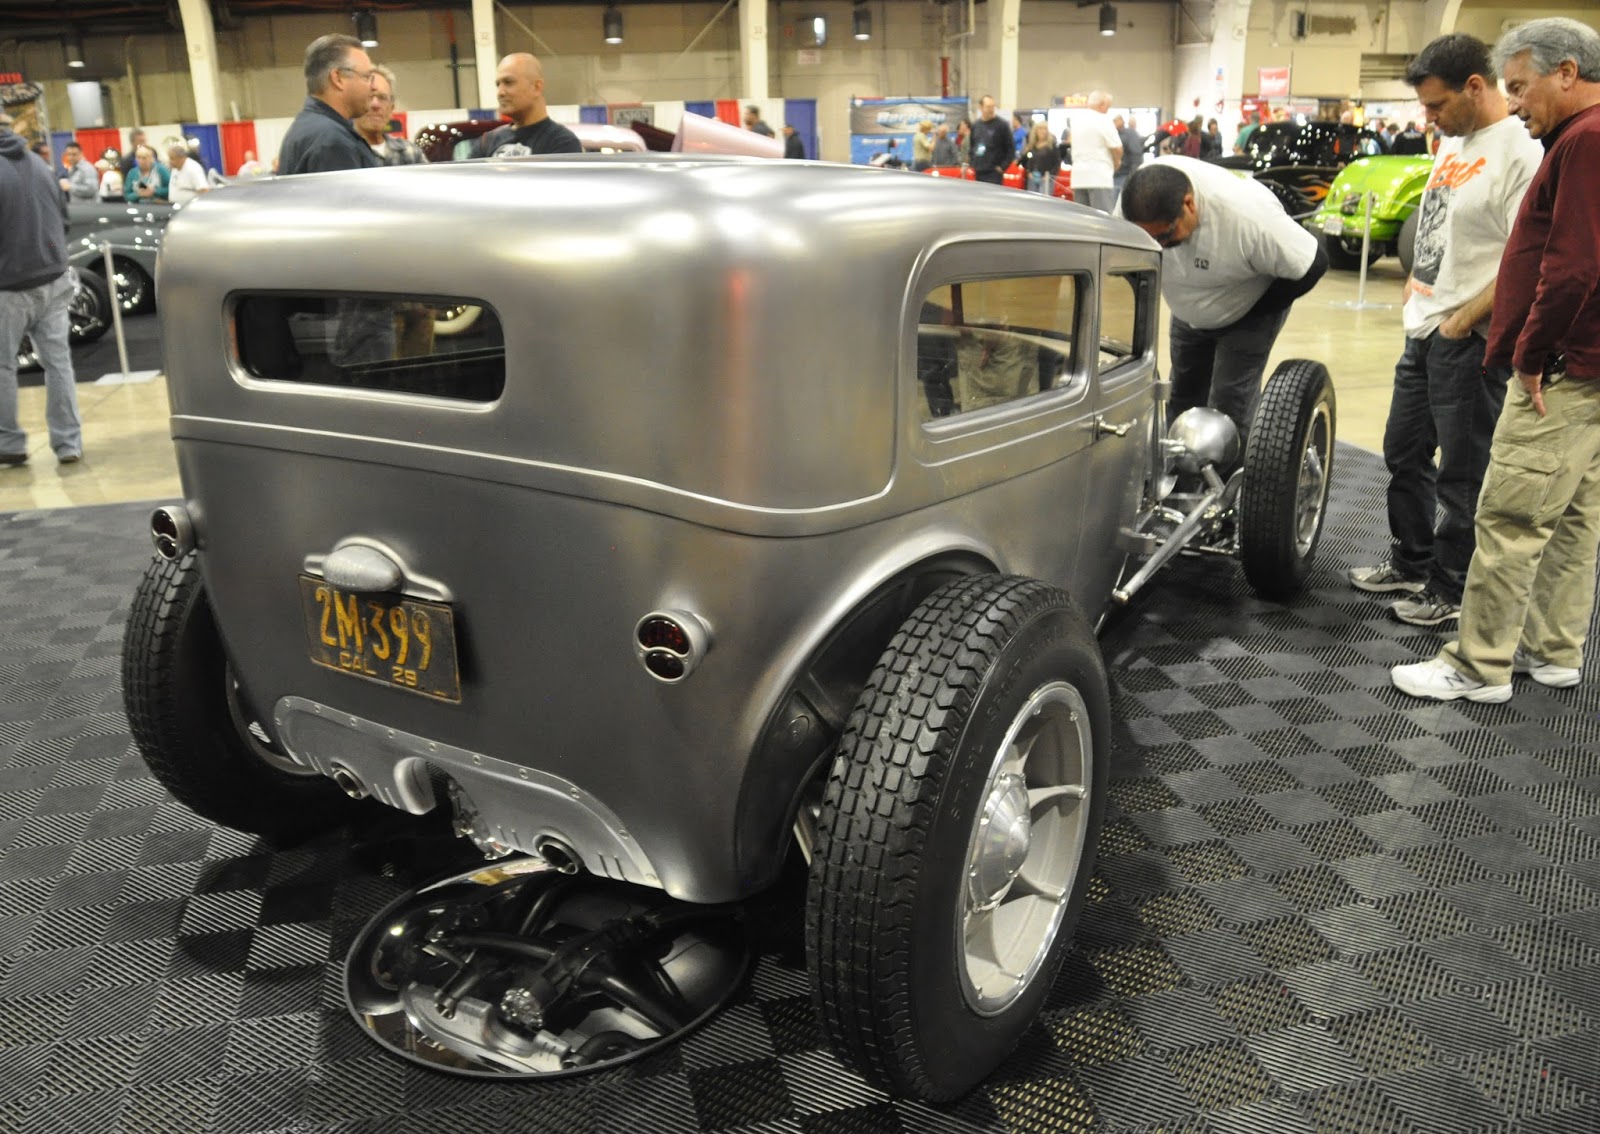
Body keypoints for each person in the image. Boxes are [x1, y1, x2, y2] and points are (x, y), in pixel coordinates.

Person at [1391, 17, 1600, 702]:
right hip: (1584, 367)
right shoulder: (1581, 140)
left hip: (1561, 370)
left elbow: (1570, 269)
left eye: (1521, 87)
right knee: (1572, 517)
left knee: (1508, 518)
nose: (1514, 103)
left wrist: (1531, 357)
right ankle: (1554, 652)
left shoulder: (1585, 142)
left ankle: (1477, 665)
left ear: (1566, 73)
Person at [1348, 34, 1543, 628]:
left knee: (1463, 471)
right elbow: (1441, 225)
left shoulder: (1520, 152)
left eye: (1435, 105)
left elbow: (1525, 257)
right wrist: (1419, 283)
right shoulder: (1453, 142)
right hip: (1426, 326)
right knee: (1403, 451)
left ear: (1475, 88)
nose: (1427, 119)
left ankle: (1451, 589)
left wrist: (1469, 316)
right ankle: (1413, 560)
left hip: (1468, 337)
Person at [1118, 157, 1327, 444]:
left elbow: (1314, 263)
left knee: (1229, 405)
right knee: (1183, 394)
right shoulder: (1134, 203)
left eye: (1166, 235)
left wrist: (1254, 311)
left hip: (1247, 310)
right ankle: (1181, 477)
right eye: (1151, 239)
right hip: (1186, 311)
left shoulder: (1250, 219)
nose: (1160, 246)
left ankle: (1232, 482)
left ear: (1189, 204)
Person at [0, 113, 83, 467]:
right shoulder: (39, 163)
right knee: (58, 364)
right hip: (53, 278)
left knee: (2, 368)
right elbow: (63, 220)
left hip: (9, 286)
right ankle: (68, 443)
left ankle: (9, 443)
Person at [279, 34, 382, 175]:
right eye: (367, 77)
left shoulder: (312, 128)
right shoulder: (332, 141)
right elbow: (348, 197)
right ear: (338, 78)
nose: (374, 86)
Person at [473, 53, 582, 158]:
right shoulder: (487, 141)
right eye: (498, 84)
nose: (500, 92)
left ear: (536, 87)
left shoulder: (562, 142)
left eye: (508, 82)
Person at [356, 66, 425, 165]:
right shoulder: (343, 153)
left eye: (382, 98)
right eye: (368, 97)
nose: (375, 105)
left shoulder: (411, 153)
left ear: (391, 108)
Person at [1069, 90, 1123, 211]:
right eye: (1108, 107)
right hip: (1099, 176)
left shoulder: (1077, 120)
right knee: (1103, 219)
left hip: (1078, 177)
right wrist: (1116, 163)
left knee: (1082, 217)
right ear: (1102, 104)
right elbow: (1117, 148)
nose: (1107, 110)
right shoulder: (1103, 120)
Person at [967, 96, 1014, 185]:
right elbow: (972, 146)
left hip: (994, 173)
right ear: (981, 108)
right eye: (988, 107)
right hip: (978, 172)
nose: (991, 109)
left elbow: (1010, 148)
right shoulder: (976, 126)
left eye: (993, 107)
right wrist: (973, 163)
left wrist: (1002, 167)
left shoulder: (1002, 125)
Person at [1112, 113, 1144, 204]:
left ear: (1122, 121)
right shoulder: (1114, 134)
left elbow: (1136, 154)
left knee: (1121, 204)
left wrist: (1133, 175)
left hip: (1125, 175)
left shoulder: (1130, 134)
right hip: (1114, 175)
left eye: (1116, 121)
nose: (1114, 123)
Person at [1023, 121, 1060, 195]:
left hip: (1046, 178)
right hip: (1032, 177)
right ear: (1036, 131)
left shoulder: (1052, 146)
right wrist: (1029, 171)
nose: (1043, 131)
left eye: (1045, 129)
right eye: (1040, 128)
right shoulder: (1032, 146)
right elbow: (1028, 160)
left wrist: (1050, 175)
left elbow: (1057, 163)